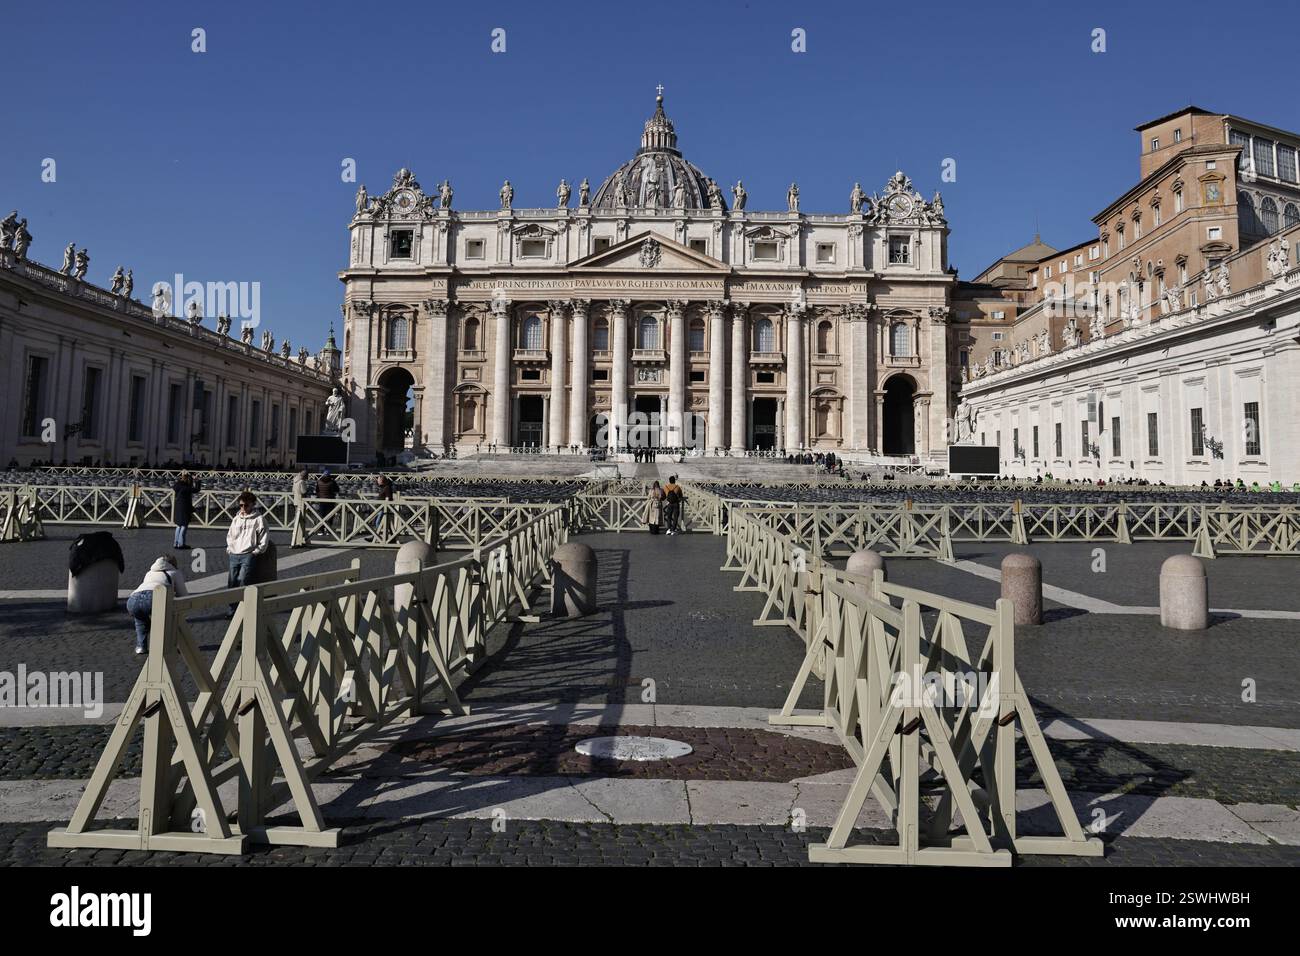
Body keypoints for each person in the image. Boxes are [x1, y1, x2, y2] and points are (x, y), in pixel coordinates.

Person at [126, 554, 187, 655]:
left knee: (141, 621)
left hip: (133, 600)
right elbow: (183, 595)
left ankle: (141, 647)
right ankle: (167, 646)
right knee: (166, 621)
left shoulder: (149, 573)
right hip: (154, 597)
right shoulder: (175, 573)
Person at [226, 491, 269, 594]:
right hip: (233, 554)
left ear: (253, 504)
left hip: (248, 555)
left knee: (243, 581)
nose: (243, 508)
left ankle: (242, 607)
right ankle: (232, 609)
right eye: (241, 505)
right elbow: (230, 535)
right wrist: (229, 548)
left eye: (246, 505)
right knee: (232, 583)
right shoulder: (236, 519)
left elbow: (264, 537)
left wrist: (257, 551)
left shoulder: (259, 519)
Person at [171, 470, 197, 549]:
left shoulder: (178, 486)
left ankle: (176, 543)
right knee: (184, 526)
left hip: (178, 508)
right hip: (185, 509)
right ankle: (181, 544)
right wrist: (197, 480)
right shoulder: (186, 488)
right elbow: (197, 489)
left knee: (178, 526)